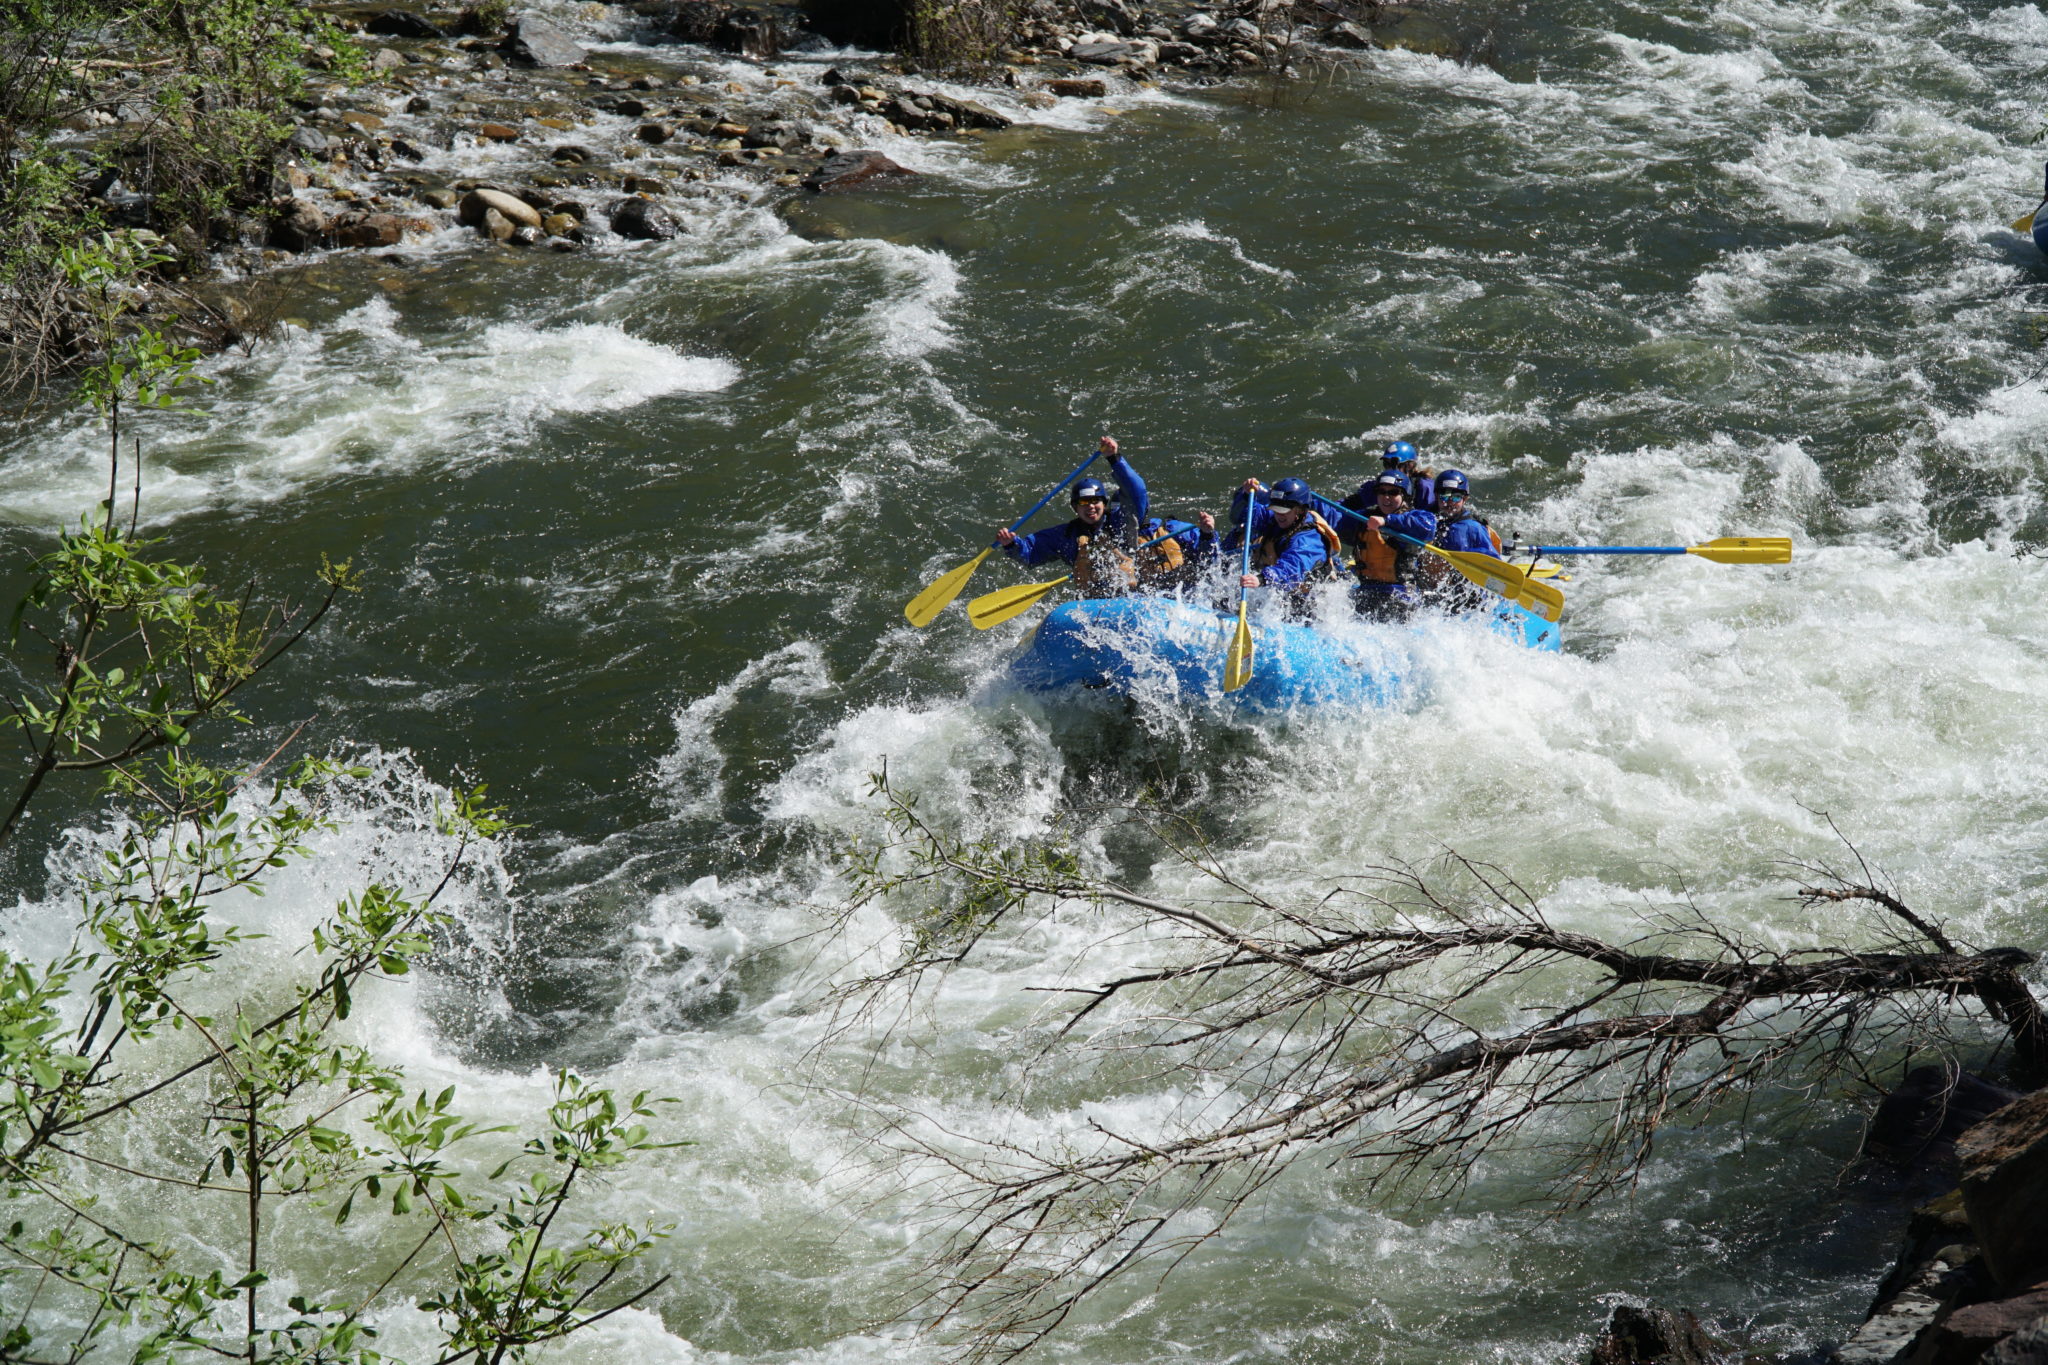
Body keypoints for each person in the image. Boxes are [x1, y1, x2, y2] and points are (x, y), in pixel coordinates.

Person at [995, 437, 1149, 593]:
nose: (1090, 506)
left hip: (1134, 594)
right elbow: (1031, 552)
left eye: (1095, 500)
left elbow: (1137, 492)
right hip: (1093, 603)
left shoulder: (1122, 521)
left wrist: (1114, 458)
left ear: (1104, 503)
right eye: (1084, 502)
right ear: (1075, 507)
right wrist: (1011, 544)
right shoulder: (1067, 536)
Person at [1199, 476, 1340, 616]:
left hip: (1309, 603)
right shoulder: (1278, 520)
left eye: (1284, 511)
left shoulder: (1307, 540)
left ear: (1300, 510)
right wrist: (1247, 495)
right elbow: (1248, 515)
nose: (1279, 515)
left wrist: (1261, 579)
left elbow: (1292, 570)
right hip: (1280, 591)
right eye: (1276, 509)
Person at [1348, 472, 1437, 622]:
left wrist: (1387, 521)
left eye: (1393, 492)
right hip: (1367, 590)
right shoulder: (1364, 518)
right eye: (1381, 492)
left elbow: (1429, 526)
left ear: (1404, 496)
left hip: (1400, 594)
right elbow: (1334, 516)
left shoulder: (1413, 518)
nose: (1386, 497)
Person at [1423, 468, 1506, 612]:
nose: (1449, 502)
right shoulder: (1425, 519)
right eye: (1444, 496)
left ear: (1465, 499)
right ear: (1436, 496)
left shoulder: (1473, 528)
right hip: (1434, 588)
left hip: (1465, 591)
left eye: (1455, 497)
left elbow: (1492, 561)